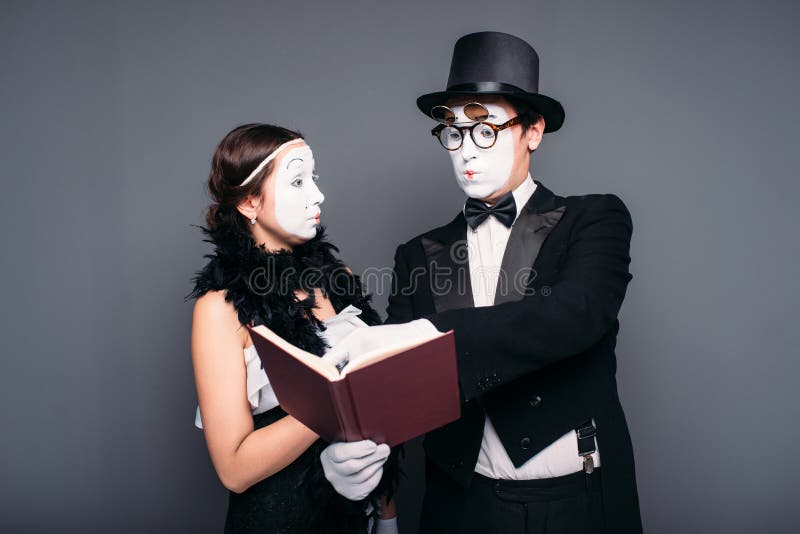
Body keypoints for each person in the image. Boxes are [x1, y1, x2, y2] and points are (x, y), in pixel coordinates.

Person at [320, 32, 644, 533]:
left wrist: (423, 333)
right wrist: (354, 459)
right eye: (453, 131)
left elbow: (575, 315)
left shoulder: (595, 217)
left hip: (577, 504)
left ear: (533, 131)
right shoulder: (416, 254)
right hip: (461, 507)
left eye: (485, 129)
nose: (465, 149)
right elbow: (397, 392)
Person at [187, 123, 400, 533]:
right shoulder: (219, 309)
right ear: (250, 202)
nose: (317, 195)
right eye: (298, 181)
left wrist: (388, 518)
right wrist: (333, 398)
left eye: (314, 179)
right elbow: (233, 468)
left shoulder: (338, 277)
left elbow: (377, 416)